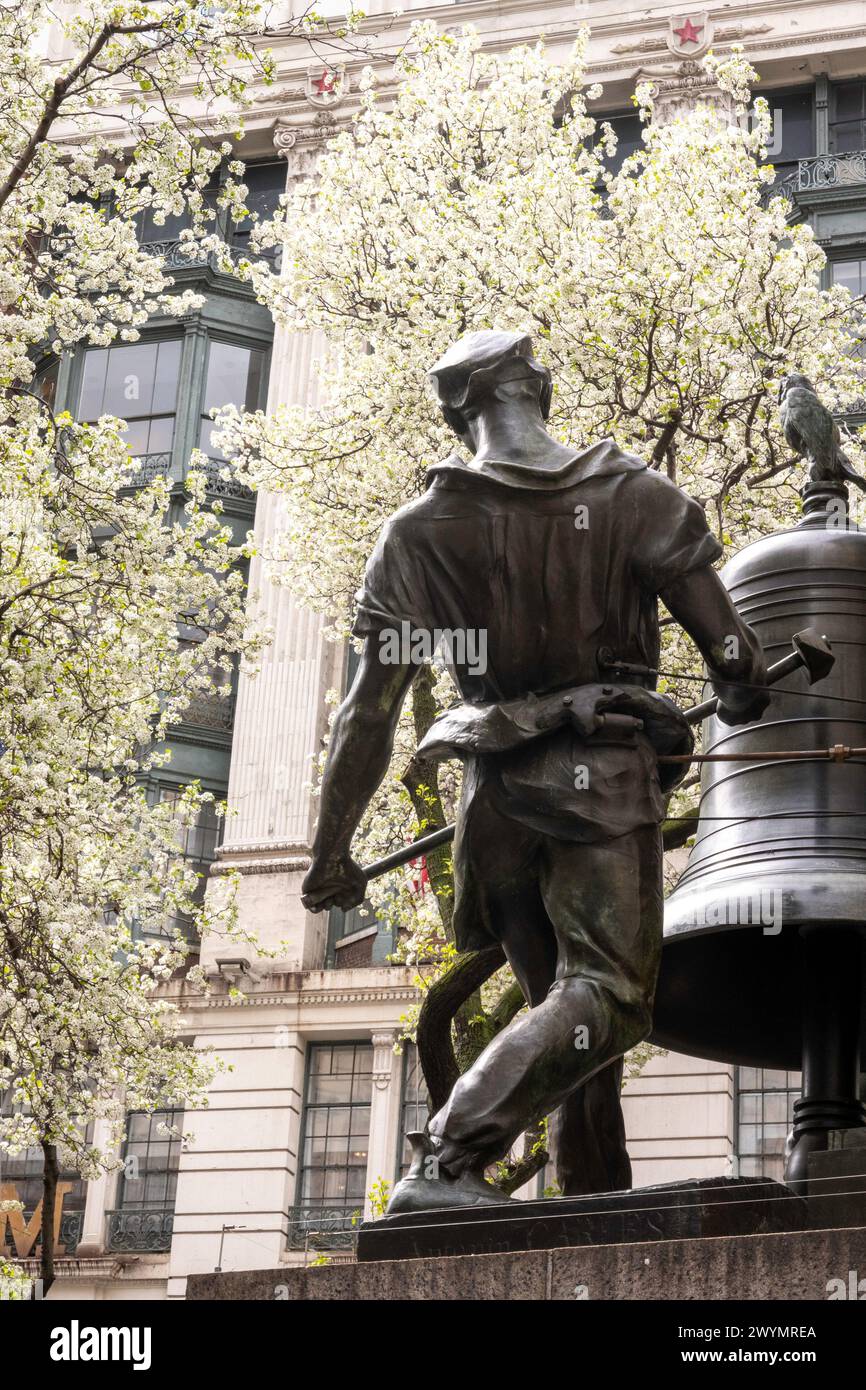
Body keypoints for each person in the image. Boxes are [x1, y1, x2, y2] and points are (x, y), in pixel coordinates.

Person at [301, 329, 769, 1212]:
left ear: (456, 412)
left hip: (498, 800)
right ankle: (446, 1158)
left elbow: (367, 710)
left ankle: (589, 1207)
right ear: (540, 389)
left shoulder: (419, 534)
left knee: (568, 1029)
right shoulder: (633, 496)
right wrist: (740, 687)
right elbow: (733, 655)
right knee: (609, 997)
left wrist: (329, 851)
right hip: (597, 787)